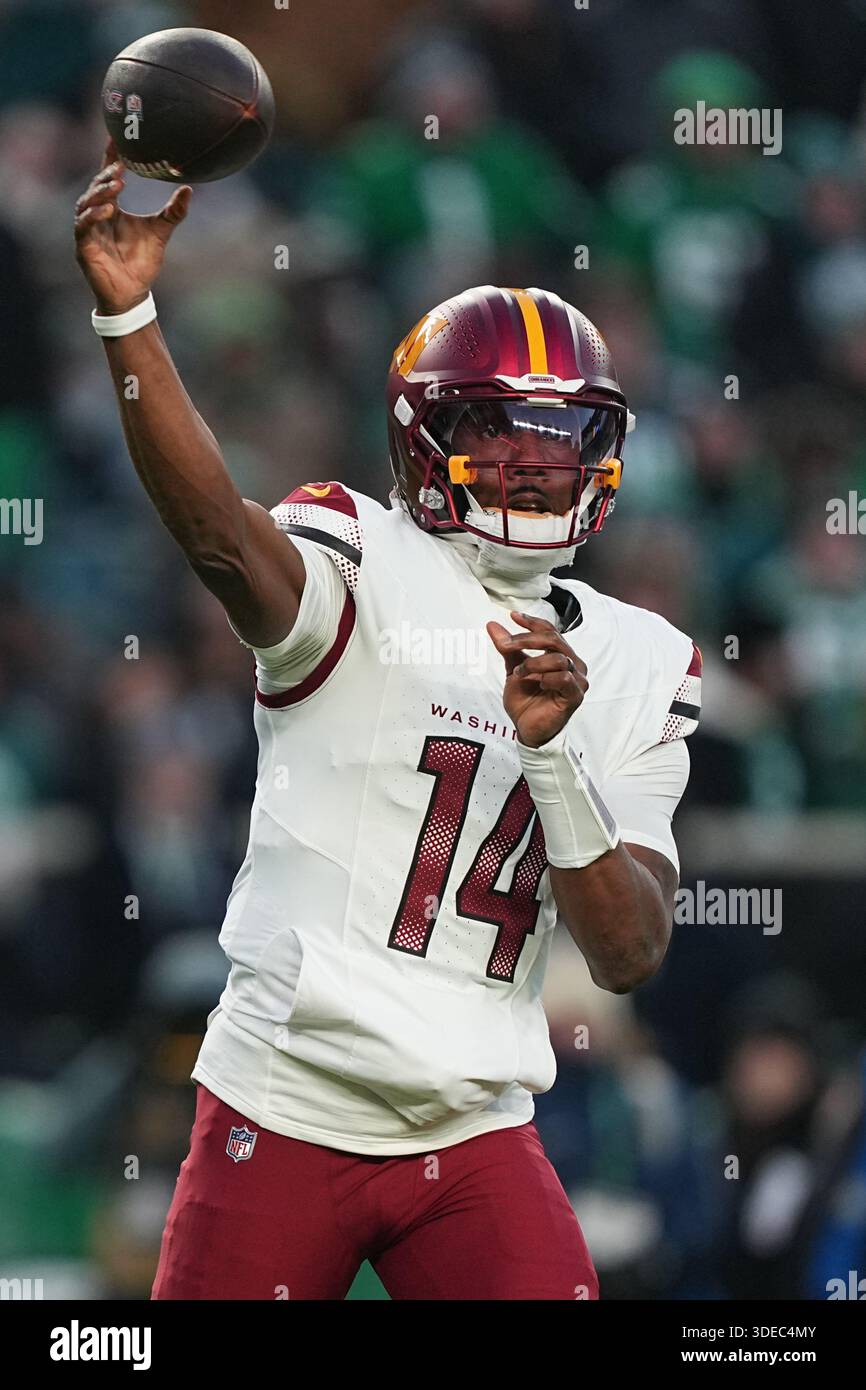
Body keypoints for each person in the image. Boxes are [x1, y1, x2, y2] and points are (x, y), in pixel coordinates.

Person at [74, 140, 702, 1301]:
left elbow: (626, 953)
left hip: (471, 1123)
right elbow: (220, 533)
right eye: (496, 437)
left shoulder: (638, 658)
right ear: (426, 444)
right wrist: (132, 327)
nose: (529, 470)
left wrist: (554, 755)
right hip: (288, 1090)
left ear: (603, 458)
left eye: (559, 441)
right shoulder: (358, 556)